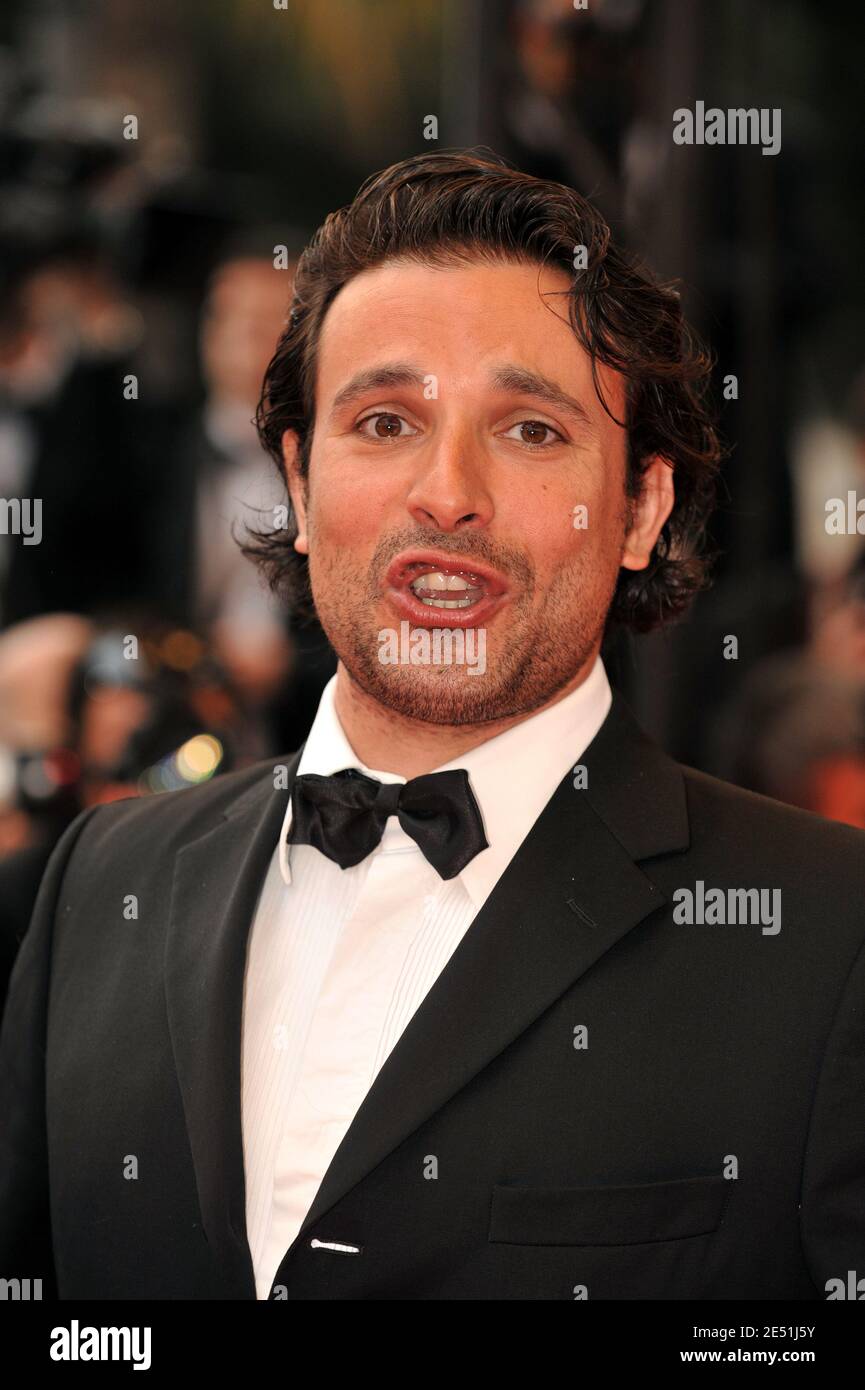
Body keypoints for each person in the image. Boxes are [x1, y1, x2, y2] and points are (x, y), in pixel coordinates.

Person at [1, 151, 863, 1302]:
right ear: (300, 485)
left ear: (640, 508)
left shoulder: (826, 938)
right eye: (386, 418)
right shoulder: (101, 882)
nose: (445, 492)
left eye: (531, 431)